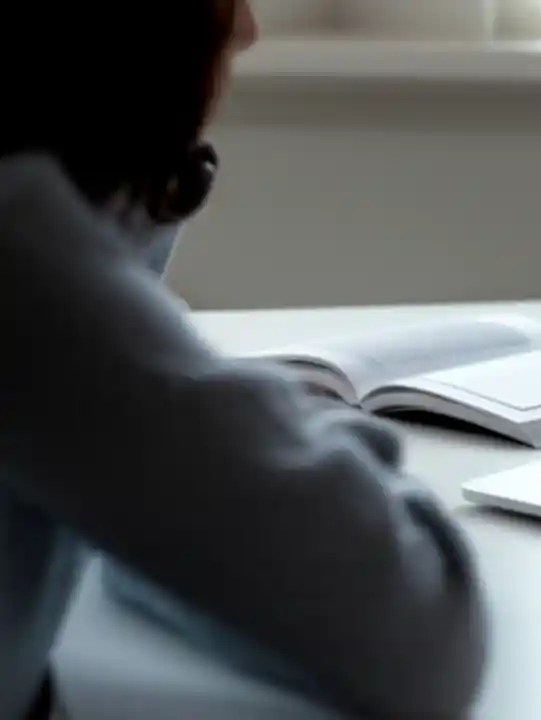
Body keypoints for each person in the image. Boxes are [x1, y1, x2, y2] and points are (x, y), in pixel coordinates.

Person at [0, 2, 485, 718]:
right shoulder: (24, 270)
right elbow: (428, 633)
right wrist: (279, 419)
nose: (245, 30)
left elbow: (134, 516)